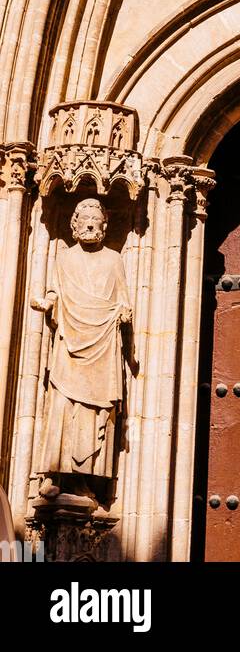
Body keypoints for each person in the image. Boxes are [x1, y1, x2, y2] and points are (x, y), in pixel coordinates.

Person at [31, 198, 131, 496]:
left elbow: (122, 297)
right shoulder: (64, 259)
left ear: (104, 225)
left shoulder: (114, 260)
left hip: (102, 345)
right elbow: (54, 292)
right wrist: (47, 302)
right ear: (73, 224)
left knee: (95, 409)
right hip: (70, 343)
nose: (89, 223)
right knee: (62, 405)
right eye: (84, 218)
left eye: (95, 218)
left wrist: (124, 311)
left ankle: (86, 478)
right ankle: (56, 474)